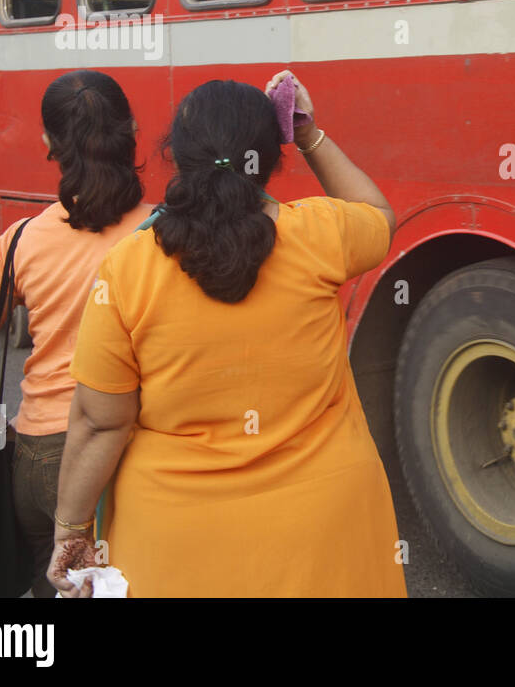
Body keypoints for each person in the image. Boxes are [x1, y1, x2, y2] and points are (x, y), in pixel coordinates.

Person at [48, 73, 406, 597]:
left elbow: (101, 424)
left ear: (177, 155)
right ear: (272, 157)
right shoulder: (321, 235)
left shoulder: (127, 267)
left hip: (175, 539)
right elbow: (378, 215)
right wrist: (308, 134)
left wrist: (71, 528)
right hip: (324, 527)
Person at [0, 70, 150, 598]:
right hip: (116, 455)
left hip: (34, 458)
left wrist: (3, 436)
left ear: (49, 144)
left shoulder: (18, 241)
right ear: (133, 131)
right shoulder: (163, 234)